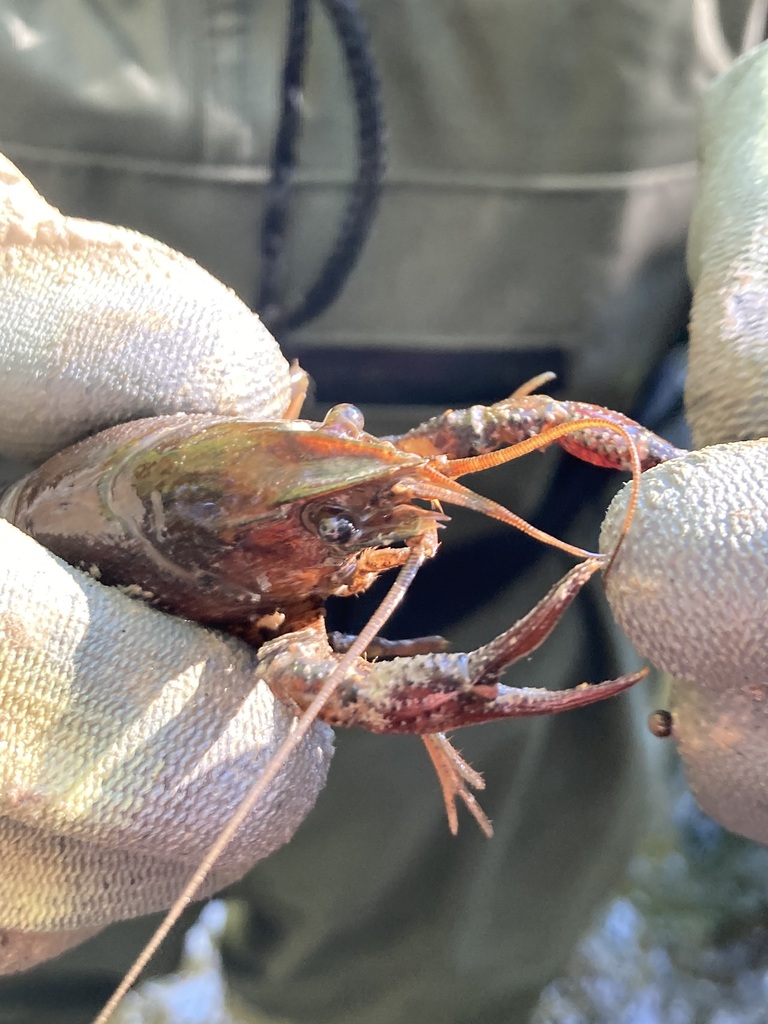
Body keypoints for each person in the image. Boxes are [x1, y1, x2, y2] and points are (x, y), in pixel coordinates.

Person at [0, 2, 760, 1022]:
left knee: (419, 990)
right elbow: (311, 668)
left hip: (512, 588)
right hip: (58, 668)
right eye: (351, 522)